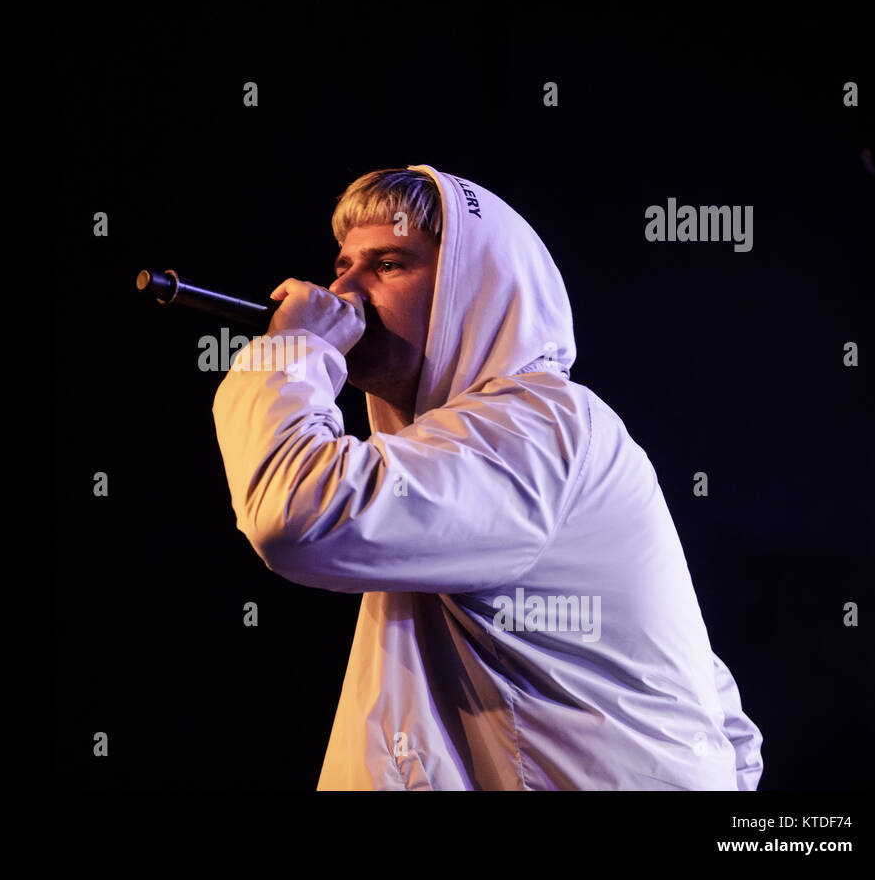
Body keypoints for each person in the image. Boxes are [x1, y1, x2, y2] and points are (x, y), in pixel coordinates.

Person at [211, 164, 764, 790]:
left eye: (388, 265)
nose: (345, 292)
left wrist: (294, 352)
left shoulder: (536, 425)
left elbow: (298, 513)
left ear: (471, 291)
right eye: (343, 266)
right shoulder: (499, 437)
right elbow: (713, 708)